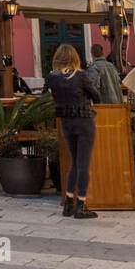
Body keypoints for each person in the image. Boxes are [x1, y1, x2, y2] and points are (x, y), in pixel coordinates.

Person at [44, 44, 100, 220]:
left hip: (66, 123)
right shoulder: (81, 76)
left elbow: (48, 96)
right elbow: (96, 97)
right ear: (75, 58)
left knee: (74, 163)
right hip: (84, 122)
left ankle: (68, 203)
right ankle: (81, 205)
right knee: (83, 165)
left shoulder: (52, 77)